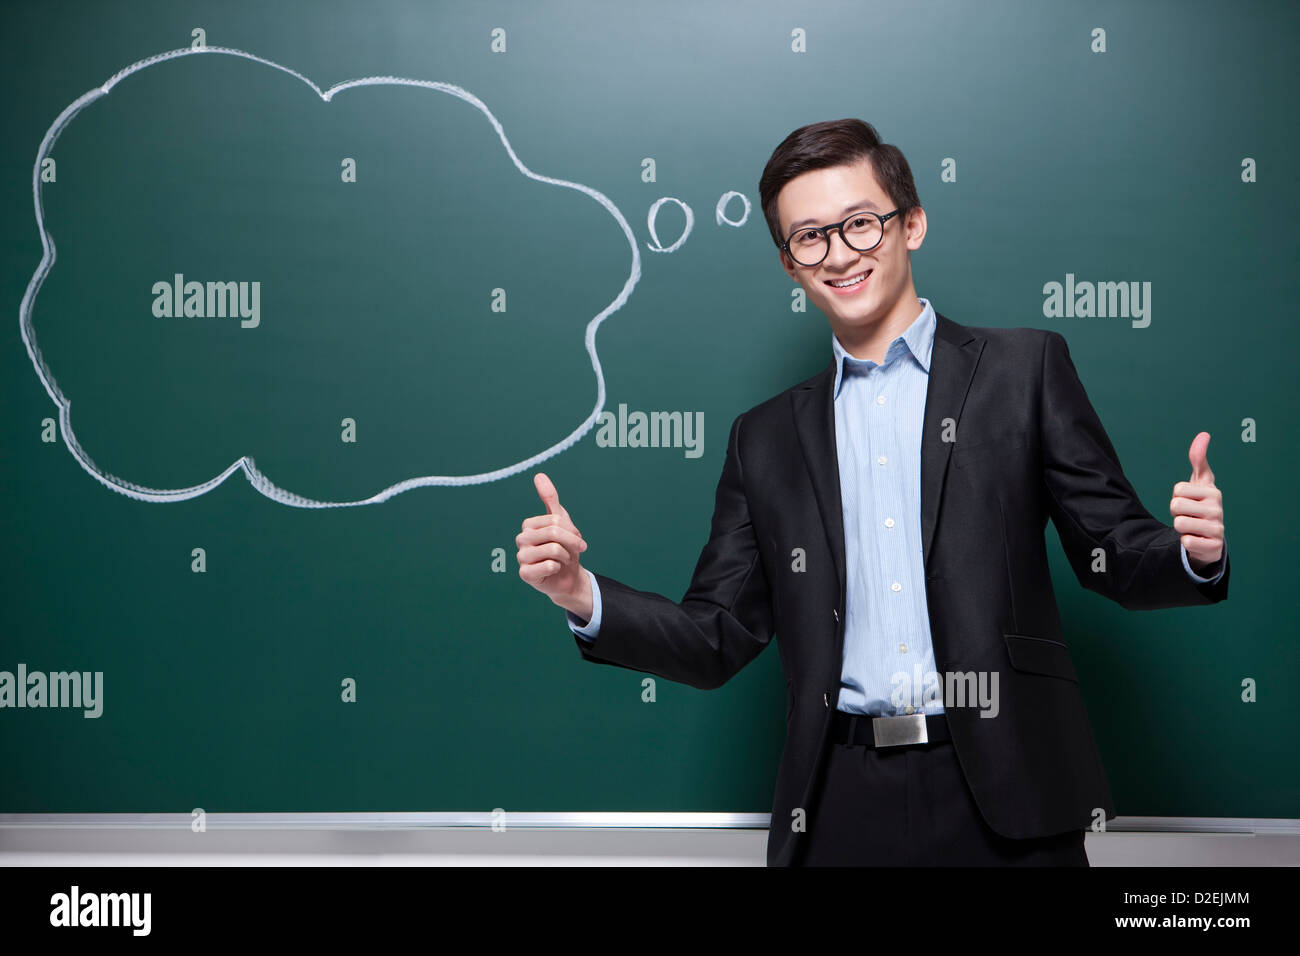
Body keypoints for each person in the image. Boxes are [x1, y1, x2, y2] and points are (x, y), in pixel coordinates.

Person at [515, 118, 1229, 867]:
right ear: (790, 263)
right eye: (809, 237)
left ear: (911, 223)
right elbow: (717, 635)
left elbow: (1109, 551)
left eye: (860, 223)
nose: (839, 254)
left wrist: (1189, 553)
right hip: (836, 804)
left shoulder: (1025, 371)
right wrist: (580, 593)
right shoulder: (762, 439)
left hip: (1007, 791)